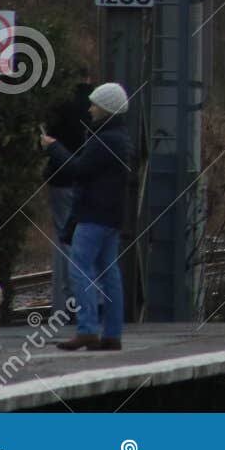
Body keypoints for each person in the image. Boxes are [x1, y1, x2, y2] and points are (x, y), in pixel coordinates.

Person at [40, 82, 133, 351]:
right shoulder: (121, 138)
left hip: (93, 214)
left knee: (80, 269)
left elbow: (77, 170)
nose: (90, 109)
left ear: (105, 108)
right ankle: (112, 333)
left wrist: (54, 148)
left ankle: (87, 329)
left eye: (94, 104)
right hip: (111, 215)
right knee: (110, 273)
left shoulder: (105, 140)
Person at [45, 81, 93, 316]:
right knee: (83, 240)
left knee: (63, 241)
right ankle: (80, 302)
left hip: (59, 181)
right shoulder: (94, 107)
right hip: (85, 184)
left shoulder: (58, 104)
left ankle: (61, 306)